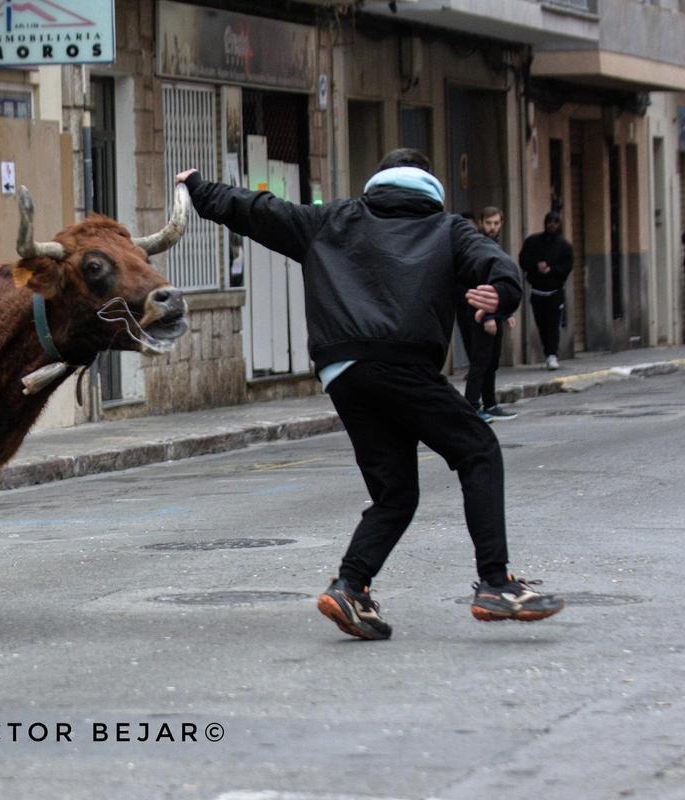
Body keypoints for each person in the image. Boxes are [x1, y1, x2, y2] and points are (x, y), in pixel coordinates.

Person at [177, 149, 564, 640]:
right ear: (431, 186)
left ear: (377, 183)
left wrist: (200, 188)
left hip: (344, 372)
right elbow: (496, 264)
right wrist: (502, 293)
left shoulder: (332, 219)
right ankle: (495, 583)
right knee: (478, 449)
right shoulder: (449, 229)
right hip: (403, 362)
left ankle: (350, 587)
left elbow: (262, 211)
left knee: (396, 492)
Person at [458, 207, 517, 422]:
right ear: (481, 223)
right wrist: (488, 317)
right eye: (489, 223)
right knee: (480, 360)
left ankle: (490, 403)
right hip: (479, 312)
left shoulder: (494, 245)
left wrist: (506, 311)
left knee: (492, 360)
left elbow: (500, 281)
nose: (493, 227)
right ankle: (472, 406)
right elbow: (480, 282)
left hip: (495, 311)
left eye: (497, 223)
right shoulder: (479, 246)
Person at [519, 211, 573, 370]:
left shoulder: (564, 246)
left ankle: (552, 354)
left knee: (553, 324)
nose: (552, 225)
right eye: (550, 221)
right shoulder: (533, 242)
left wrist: (551, 270)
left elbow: (567, 267)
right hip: (537, 291)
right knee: (541, 324)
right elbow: (524, 260)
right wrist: (537, 266)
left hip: (555, 292)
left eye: (556, 222)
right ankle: (548, 352)